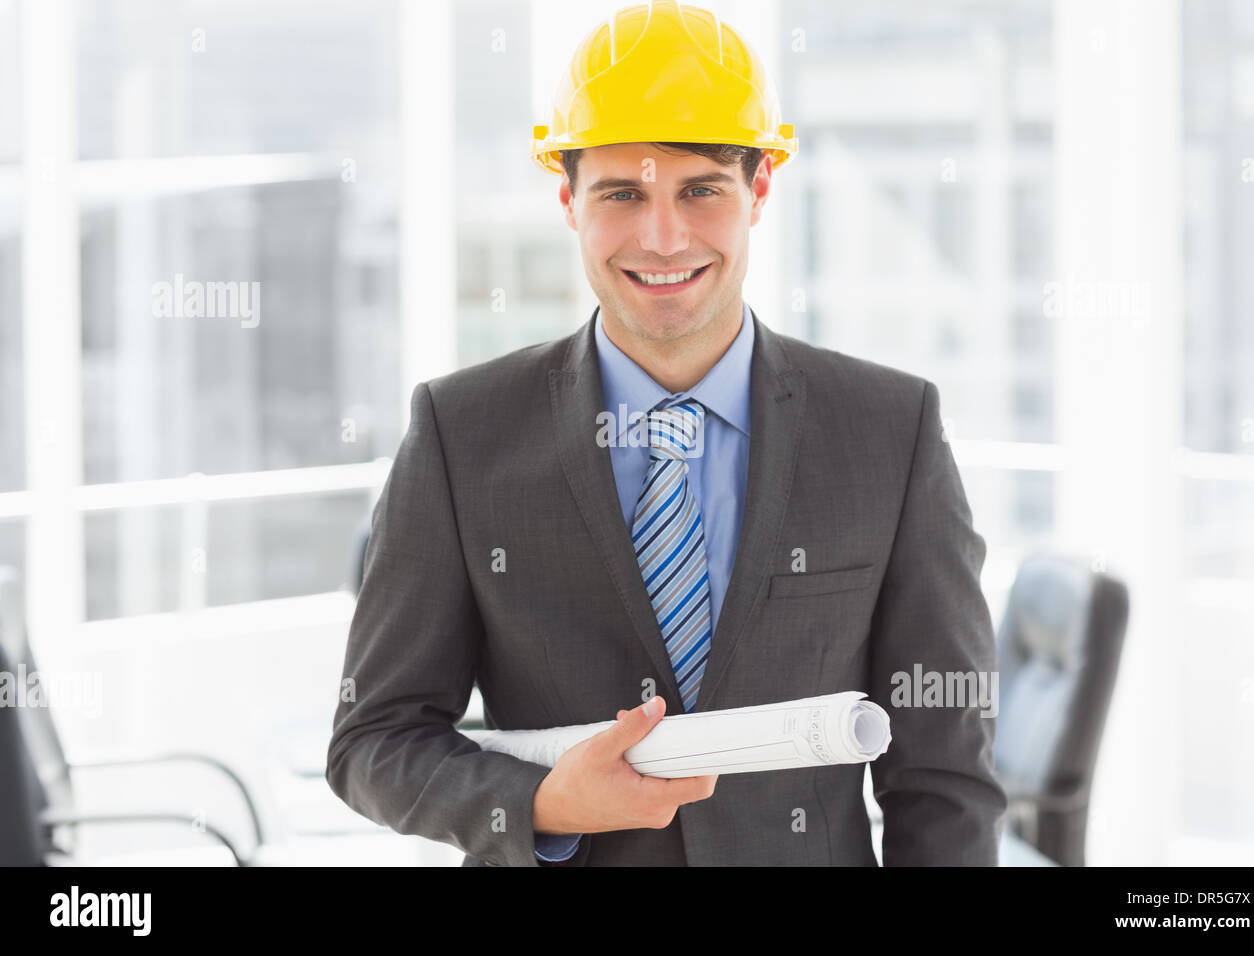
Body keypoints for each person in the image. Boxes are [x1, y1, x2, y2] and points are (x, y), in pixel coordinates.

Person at [326, 0, 1006, 866]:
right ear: (568, 198)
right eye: (621, 193)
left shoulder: (889, 431)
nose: (662, 236)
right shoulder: (461, 435)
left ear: (759, 190)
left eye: (699, 190)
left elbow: (945, 781)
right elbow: (373, 741)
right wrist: (538, 801)